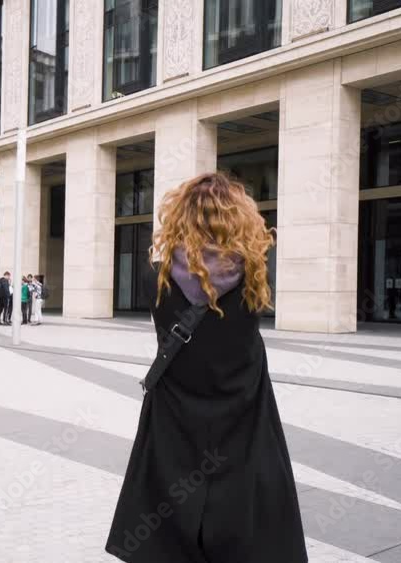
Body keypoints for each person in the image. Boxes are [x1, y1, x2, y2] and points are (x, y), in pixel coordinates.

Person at [106, 173, 307, 563]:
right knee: (244, 520)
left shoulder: (156, 275)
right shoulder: (255, 275)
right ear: (240, 218)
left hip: (175, 419)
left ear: (181, 216)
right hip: (242, 415)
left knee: (170, 522)